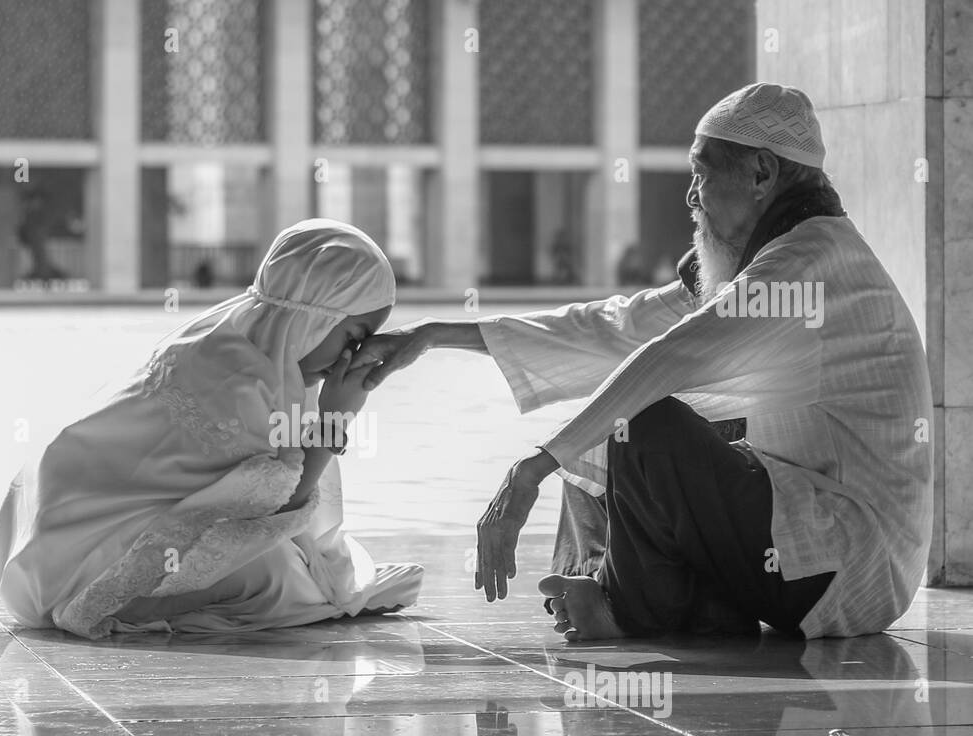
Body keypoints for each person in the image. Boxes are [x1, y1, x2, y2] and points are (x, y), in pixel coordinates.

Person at [352, 83, 932, 642]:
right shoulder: (775, 259)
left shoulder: (808, 262)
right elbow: (617, 329)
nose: (691, 197)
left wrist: (532, 467)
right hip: (804, 545)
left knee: (640, 423)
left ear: (762, 174)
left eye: (702, 175)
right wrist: (435, 334)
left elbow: (672, 355)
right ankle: (617, 593)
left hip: (853, 563)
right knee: (609, 425)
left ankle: (621, 607)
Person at [0, 219, 423, 638]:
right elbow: (272, 510)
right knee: (276, 576)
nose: (355, 355)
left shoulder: (264, 344)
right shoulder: (240, 376)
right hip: (69, 554)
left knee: (291, 566)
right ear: (316, 317)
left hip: (59, 530)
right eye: (354, 336)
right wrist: (336, 418)